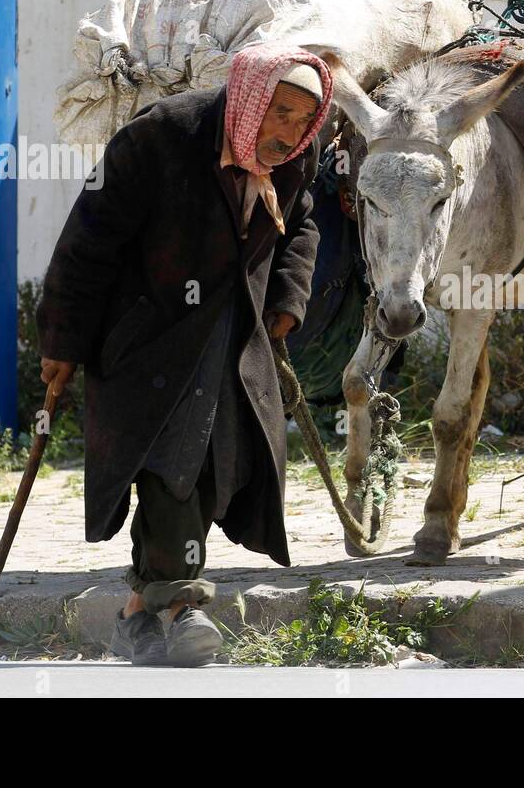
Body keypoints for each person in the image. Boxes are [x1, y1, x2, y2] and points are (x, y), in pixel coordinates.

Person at [35, 44, 332, 665]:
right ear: (251, 99)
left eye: (303, 120)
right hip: (149, 341)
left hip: (232, 338)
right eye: (279, 112)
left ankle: (135, 616)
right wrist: (63, 341)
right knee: (171, 461)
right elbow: (88, 240)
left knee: (216, 464)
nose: (289, 132)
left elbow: (301, 222)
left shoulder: (292, 160)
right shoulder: (161, 137)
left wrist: (287, 295)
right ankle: (182, 604)